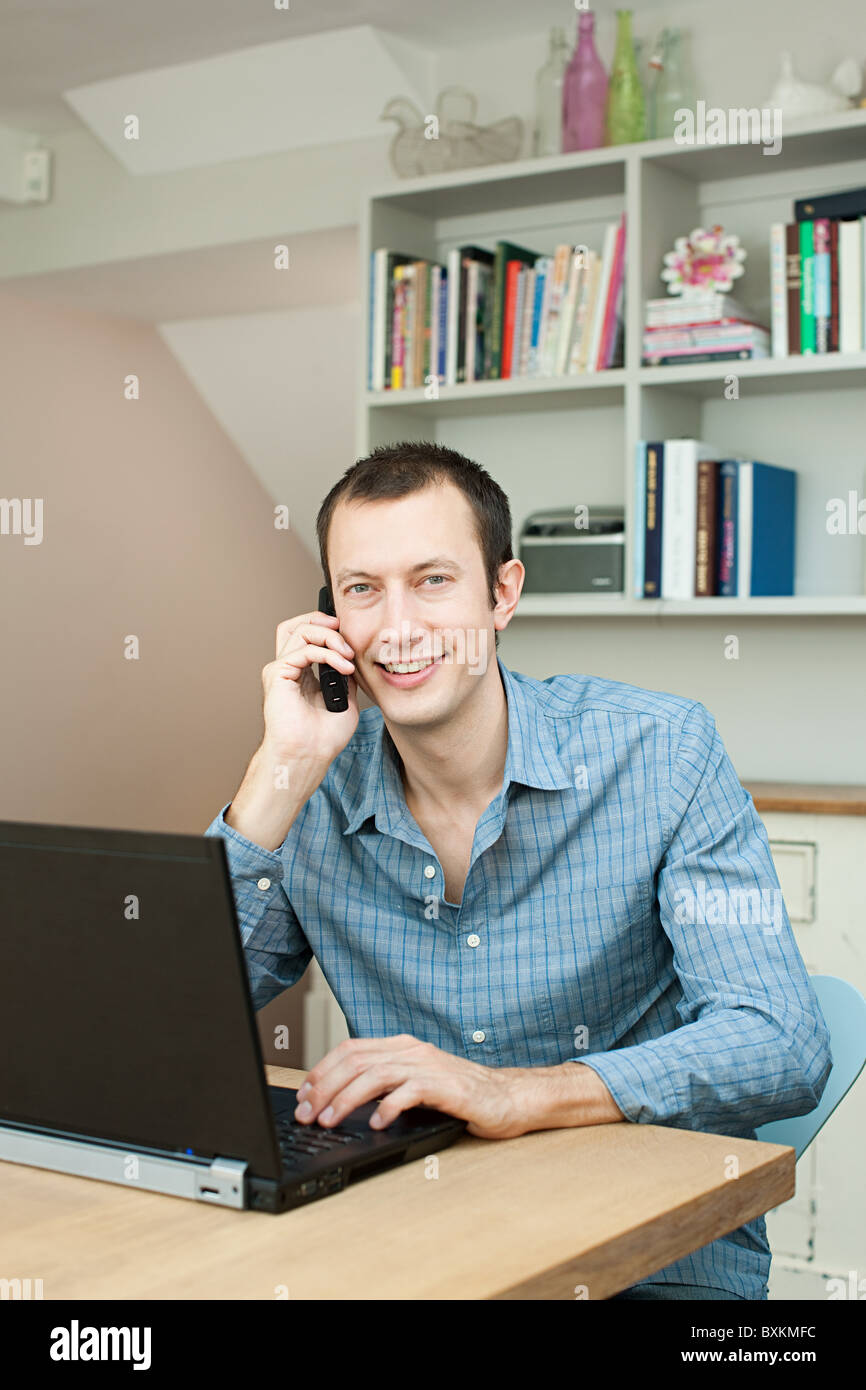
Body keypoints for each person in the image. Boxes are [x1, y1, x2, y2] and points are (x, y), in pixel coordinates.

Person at [206, 440, 831, 1300]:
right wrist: (280, 771)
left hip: (651, 1264)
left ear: (502, 594)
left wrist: (513, 1094)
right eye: (361, 590)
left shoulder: (661, 753)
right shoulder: (312, 784)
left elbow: (781, 1042)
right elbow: (165, 1026)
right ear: (328, 617)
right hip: (408, 1244)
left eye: (433, 581)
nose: (396, 628)